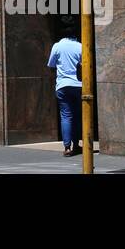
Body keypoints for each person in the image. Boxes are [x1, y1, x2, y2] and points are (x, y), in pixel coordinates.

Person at [48, 25, 83, 156]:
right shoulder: (80, 46)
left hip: (62, 85)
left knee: (66, 116)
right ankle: (76, 144)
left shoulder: (57, 46)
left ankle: (67, 147)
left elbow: (51, 64)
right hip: (79, 85)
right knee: (78, 116)